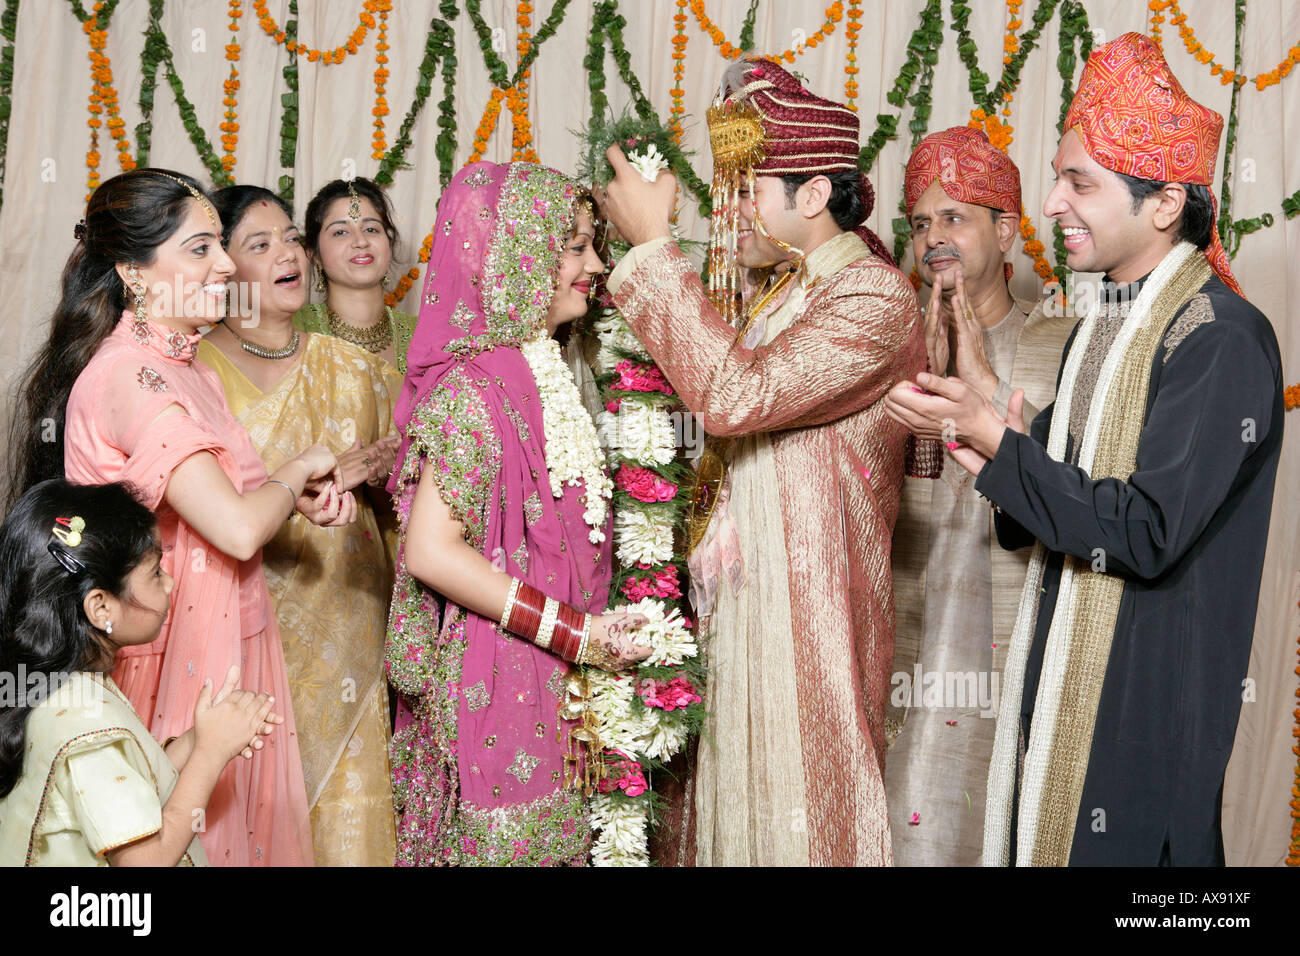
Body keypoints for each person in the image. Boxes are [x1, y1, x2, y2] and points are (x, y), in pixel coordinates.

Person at [884, 33, 1283, 866]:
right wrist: (999, 428)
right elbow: (1065, 494)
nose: (1055, 204)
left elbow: (1142, 530)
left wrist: (1001, 443)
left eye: (1079, 182)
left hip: (1142, 701)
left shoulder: (1218, 339)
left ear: (1165, 202)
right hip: (1062, 681)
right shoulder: (1108, 325)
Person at [594, 57, 927, 866]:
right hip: (740, 606)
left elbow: (737, 397)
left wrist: (650, 249)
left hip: (811, 617)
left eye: (748, 189)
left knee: (806, 817)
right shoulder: (779, 292)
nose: (728, 209)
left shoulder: (875, 298)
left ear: (814, 195)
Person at [8, 168, 354, 865]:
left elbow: (225, 511)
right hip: (172, 659)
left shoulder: (187, 368)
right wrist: (300, 466)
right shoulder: (132, 376)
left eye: (219, 246)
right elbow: (233, 528)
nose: (226, 264)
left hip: (231, 639)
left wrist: (293, 498)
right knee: (181, 844)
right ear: (134, 272)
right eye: (200, 249)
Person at [385, 161, 650, 867]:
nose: (594, 265)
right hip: (498, 674)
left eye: (593, 244)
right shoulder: (475, 387)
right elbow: (430, 553)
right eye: (574, 246)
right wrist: (574, 634)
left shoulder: (541, 367)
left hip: (554, 669)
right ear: (515, 257)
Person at [886, 126, 1074, 865]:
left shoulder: (1061, 344)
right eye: (921, 222)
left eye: (954, 218)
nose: (933, 237)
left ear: (1006, 232)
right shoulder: (889, 343)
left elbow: (1076, 492)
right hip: (909, 617)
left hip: (1009, 622)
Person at [197, 185, 401, 866]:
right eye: (260, 244)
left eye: (289, 237)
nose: (287, 253)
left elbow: (414, 492)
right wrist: (288, 484)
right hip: (245, 634)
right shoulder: (195, 373)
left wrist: (386, 467)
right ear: (221, 268)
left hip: (352, 624)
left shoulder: (353, 366)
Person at [0, 480, 283, 867]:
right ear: (100, 607)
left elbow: (126, 779)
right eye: (155, 572)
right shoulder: (84, 722)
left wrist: (198, 739)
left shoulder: (61, 687)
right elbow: (145, 863)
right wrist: (210, 754)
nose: (169, 582)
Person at [294, 177, 418, 373]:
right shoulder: (292, 332)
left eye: (371, 229)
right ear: (314, 254)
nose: (361, 241)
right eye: (341, 232)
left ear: (389, 243)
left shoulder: (423, 336)